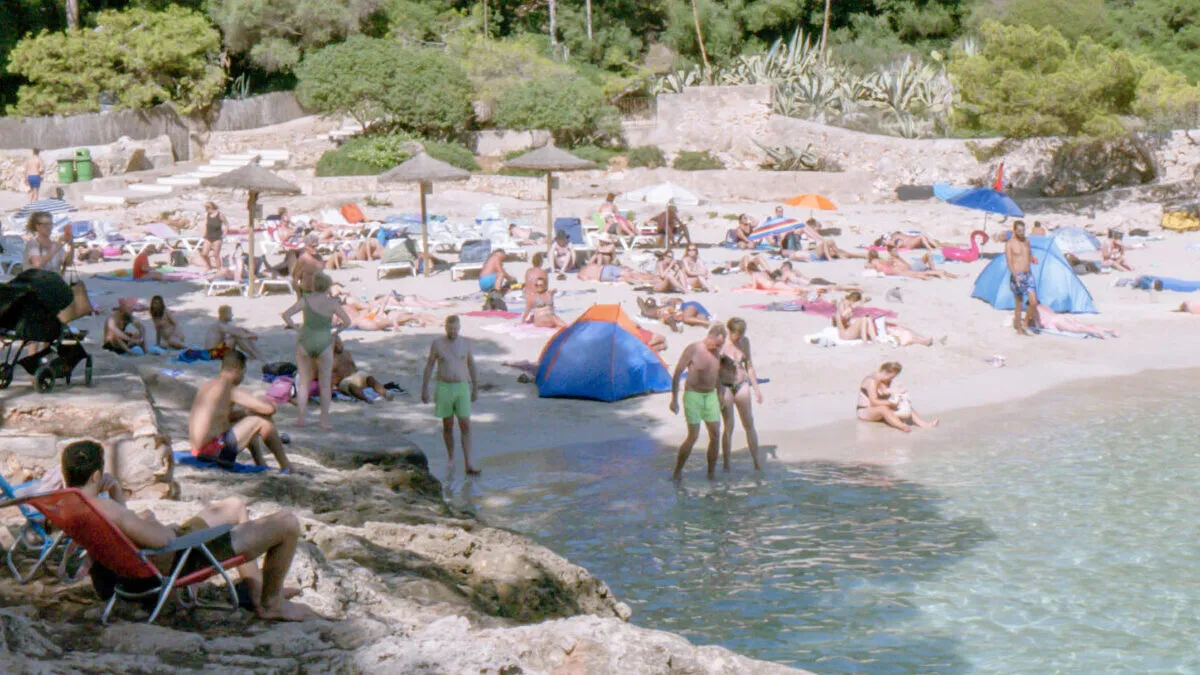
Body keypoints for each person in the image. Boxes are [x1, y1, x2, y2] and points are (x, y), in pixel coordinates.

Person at [60, 440, 315, 621]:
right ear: (96, 476)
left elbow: (120, 538)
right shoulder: (107, 509)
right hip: (182, 557)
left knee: (235, 506)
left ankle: (257, 591)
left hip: (137, 567)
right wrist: (153, 521)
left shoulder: (68, 507)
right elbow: (164, 540)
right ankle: (270, 604)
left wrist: (119, 497)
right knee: (287, 523)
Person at [189, 351, 293, 472]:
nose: (243, 377)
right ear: (237, 369)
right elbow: (269, 410)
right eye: (243, 372)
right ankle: (286, 466)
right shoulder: (228, 389)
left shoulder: (207, 385)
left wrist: (246, 413)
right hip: (212, 453)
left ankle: (260, 463)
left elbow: (221, 419)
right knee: (262, 421)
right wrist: (269, 402)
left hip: (198, 451)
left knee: (247, 419)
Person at [282, 273, 350, 430]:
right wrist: (336, 332)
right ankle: (324, 421)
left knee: (304, 382)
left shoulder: (306, 300)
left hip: (305, 339)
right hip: (324, 341)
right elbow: (347, 321)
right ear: (327, 286)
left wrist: (295, 327)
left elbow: (286, 315)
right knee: (325, 384)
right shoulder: (332, 303)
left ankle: (301, 418)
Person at [421, 315, 480, 475]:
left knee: (465, 424)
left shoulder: (466, 343)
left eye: (455, 328)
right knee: (447, 425)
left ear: (459, 328)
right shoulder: (438, 344)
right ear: (445, 327)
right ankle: (451, 458)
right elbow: (429, 366)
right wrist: (424, 388)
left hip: (461, 387)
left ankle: (468, 462)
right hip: (444, 387)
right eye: (450, 328)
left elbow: (472, 366)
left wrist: (475, 387)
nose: (452, 331)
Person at [669, 324, 727, 480]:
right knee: (693, 435)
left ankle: (711, 474)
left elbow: (717, 376)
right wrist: (674, 399)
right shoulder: (693, 349)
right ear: (709, 337)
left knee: (715, 435)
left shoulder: (717, 354)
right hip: (693, 395)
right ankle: (677, 472)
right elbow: (677, 374)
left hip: (710, 396)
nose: (718, 347)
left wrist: (721, 394)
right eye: (716, 344)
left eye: (720, 345)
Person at [718, 318, 763, 472]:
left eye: (742, 335)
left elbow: (749, 365)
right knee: (729, 426)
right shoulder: (721, 345)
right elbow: (714, 370)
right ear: (729, 332)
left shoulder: (745, 342)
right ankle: (726, 465)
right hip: (726, 385)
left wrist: (756, 389)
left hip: (742, 384)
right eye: (737, 335)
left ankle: (757, 462)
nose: (739, 338)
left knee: (749, 423)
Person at [856, 362, 938, 433]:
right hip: (865, 411)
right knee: (883, 408)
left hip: (879, 409)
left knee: (905, 405)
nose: (891, 379)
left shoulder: (886, 381)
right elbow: (874, 402)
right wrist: (891, 403)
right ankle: (902, 426)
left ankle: (924, 424)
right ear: (885, 372)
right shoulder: (872, 381)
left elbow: (898, 390)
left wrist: (900, 395)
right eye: (891, 377)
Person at [332, 336, 393, 403]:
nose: (340, 345)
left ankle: (386, 394)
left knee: (370, 378)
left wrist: (359, 375)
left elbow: (353, 366)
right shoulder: (329, 359)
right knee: (352, 386)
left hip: (355, 374)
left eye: (340, 342)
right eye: (337, 343)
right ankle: (367, 399)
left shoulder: (346, 353)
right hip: (343, 380)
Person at [1005, 220, 1038, 335]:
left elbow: (1029, 255)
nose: (1021, 233)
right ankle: (1019, 328)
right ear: (1014, 231)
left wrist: (1032, 259)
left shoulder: (1027, 241)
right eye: (1019, 231)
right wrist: (1015, 276)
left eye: (1023, 230)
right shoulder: (1009, 244)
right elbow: (1009, 262)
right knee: (1019, 304)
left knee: (1033, 302)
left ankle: (1025, 324)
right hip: (1017, 276)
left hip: (1028, 275)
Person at [1032, 304, 1119, 338]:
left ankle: (1097, 331)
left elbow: (1038, 325)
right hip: (1061, 317)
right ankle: (1108, 330)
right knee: (1082, 326)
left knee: (1075, 329)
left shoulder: (1034, 310)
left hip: (1056, 321)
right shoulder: (1043, 306)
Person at [637, 296, 710, 333]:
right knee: (700, 321)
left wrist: (670, 304)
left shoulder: (668, 303)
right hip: (691, 309)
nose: (651, 301)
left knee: (687, 319)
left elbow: (676, 301)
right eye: (649, 301)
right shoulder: (654, 310)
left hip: (688, 307)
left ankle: (711, 323)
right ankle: (711, 324)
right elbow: (639, 300)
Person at [200, 202, 227, 272]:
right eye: (206, 208)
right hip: (208, 237)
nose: (207, 209)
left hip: (217, 237)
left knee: (216, 255)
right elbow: (205, 224)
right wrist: (203, 233)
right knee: (204, 253)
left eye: (208, 208)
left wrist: (225, 233)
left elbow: (226, 225)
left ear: (212, 207)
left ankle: (219, 270)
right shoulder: (207, 215)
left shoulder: (220, 215)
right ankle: (209, 266)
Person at [577, 262, 657, 285]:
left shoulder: (581, 274)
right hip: (606, 268)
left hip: (602, 277)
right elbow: (601, 266)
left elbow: (586, 279)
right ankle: (652, 277)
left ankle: (627, 279)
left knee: (622, 278)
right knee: (630, 273)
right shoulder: (591, 265)